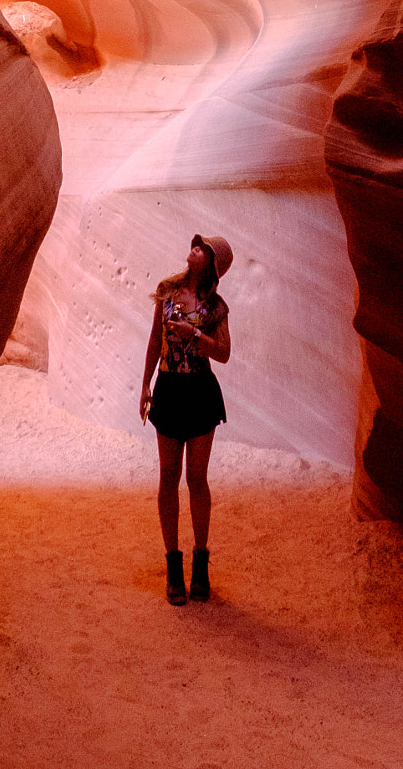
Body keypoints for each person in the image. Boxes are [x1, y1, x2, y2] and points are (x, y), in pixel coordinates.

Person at [140, 232, 232, 605]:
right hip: (169, 389)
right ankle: (173, 567)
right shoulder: (167, 291)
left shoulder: (216, 306)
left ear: (212, 264)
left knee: (196, 478)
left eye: (203, 249)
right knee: (167, 476)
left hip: (199, 392)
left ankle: (200, 565)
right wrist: (145, 385)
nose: (196, 248)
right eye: (197, 244)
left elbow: (224, 353)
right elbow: (154, 340)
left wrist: (194, 334)